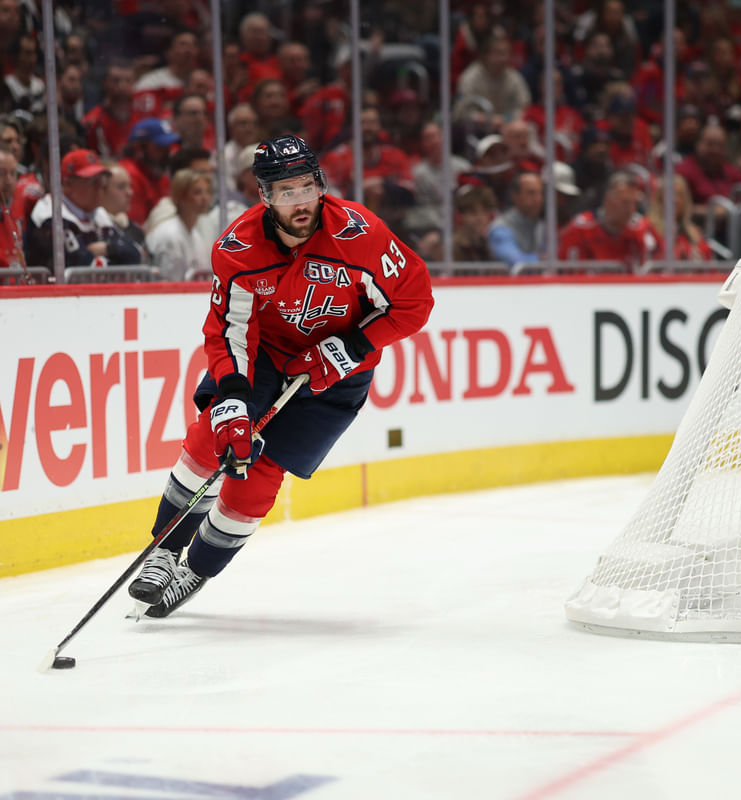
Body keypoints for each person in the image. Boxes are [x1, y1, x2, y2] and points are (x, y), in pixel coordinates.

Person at [126, 135, 434, 618]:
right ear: (265, 196)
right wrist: (231, 399)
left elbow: (415, 303)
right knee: (214, 437)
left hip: (339, 374)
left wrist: (351, 347)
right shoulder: (238, 247)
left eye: (307, 187)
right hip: (265, 356)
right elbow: (229, 331)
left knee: (258, 480)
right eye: (286, 192)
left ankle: (198, 569)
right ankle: (166, 548)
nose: (301, 202)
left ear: (320, 185)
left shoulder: (362, 234)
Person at [25, 150, 139, 268]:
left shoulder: (98, 212)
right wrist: (116, 258)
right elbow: (81, 265)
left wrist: (109, 249)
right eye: (93, 181)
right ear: (68, 184)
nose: (100, 187)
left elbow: (136, 254)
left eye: (101, 181)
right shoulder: (50, 214)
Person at [558, 171, 661, 270]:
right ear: (607, 200)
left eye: (634, 203)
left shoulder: (643, 229)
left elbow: (658, 266)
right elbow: (570, 274)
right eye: (625, 202)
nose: (631, 209)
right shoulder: (580, 228)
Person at [146, 168, 214, 281]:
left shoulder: (195, 234)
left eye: (207, 192)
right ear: (180, 197)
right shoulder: (170, 235)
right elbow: (168, 282)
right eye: (197, 192)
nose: (205, 198)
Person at [488, 169, 544, 267]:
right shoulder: (500, 228)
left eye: (540, 193)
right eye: (531, 193)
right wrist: (540, 259)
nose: (538, 199)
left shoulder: (543, 225)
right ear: (514, 196)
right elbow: (516, 262)